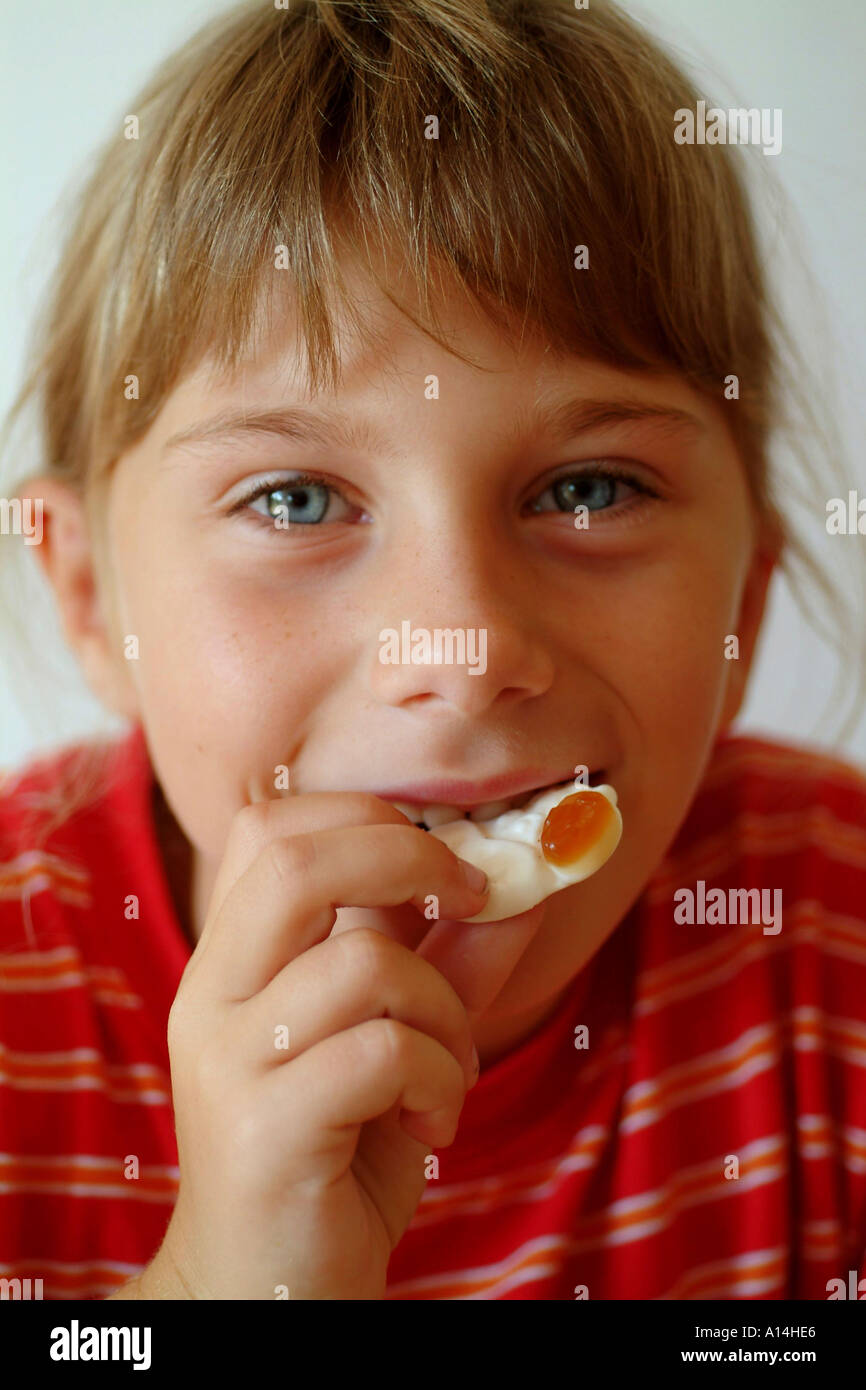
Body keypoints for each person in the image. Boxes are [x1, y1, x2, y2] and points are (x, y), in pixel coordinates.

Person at [0, 0, 864, 1301]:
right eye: (294, 499)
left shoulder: (832, 945)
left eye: (588, 490)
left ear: (742, 601)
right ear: (83, 595)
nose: (458, 648)